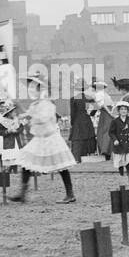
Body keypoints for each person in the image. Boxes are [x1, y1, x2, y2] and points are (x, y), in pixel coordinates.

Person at [8, 73, 77, 203]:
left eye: (33, 87)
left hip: (50, 138)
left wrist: (22, 109)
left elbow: (41, 118)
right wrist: (18, 109)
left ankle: (70, 193)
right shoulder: (37, 104)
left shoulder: (47, 102)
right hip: (40, 139)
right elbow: (29, 115)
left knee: (61, 166)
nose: (30, 89)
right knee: (26, 162)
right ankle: (22, 193)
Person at [108, 97, 129, 175]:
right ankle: (121, 173)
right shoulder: (115, 121)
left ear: (127, 111)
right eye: (122, 109)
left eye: (125, 109)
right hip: (119, 143)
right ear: (119, 111)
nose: (123, 111)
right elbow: (111, 132)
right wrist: (115, 140)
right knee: (120, 160)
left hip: (128, 142)